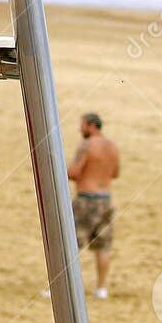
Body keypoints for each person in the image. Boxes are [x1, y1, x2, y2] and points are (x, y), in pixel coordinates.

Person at [67, 112, 120, 300]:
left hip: (86, 200)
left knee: (70, 244)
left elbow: (74, 172)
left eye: (82, 125)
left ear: (91, 126)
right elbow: (115, 173)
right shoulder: (113, 146)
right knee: (103, 246)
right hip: (105, 199)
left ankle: (63, 287)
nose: (79, 129)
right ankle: (101, 288)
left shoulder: (86, 145)